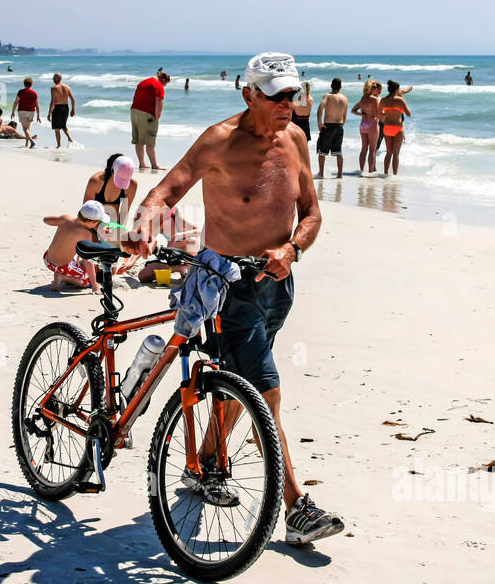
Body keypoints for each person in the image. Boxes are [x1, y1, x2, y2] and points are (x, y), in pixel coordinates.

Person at [132, 51, 343, 545]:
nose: (287, 105)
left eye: (293, 94)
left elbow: (312, 213)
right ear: (249, 94)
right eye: (276, 96)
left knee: (239, 382)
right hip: (227, 286)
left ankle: (206, 462)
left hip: (276, 285)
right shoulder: (220, 141)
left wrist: (292, 249)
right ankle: (297, 508)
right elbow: (167, 190)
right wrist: (144, 219)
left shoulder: (295, 141)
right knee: (265, 392)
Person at [42, 201, 104, 293]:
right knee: (87, 281)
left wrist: (62, 223)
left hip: (47, 258)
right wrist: (94, 285)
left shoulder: (65, 218)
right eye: (97, 223)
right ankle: (62, 277)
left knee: (76, 260)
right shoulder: (85, 234)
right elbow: (88, 261)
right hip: (60, 266)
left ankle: (62, 273)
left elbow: (46, 220)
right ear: (91, 222)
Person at [84, 154, 138, 249]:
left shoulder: (132, 185)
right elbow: (86, 212)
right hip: (92, 223)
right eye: (119, 179)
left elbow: (125, 211)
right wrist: (98, 228)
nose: (121, 184)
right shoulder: (96, 181)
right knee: (91, 257)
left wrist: (120, 229)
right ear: (112, 170)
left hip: (113, 226)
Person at [136, 205, 200, 284]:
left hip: (187, 254)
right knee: (142, 276)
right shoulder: (158, 225)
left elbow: (199, 231)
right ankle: (180, 268)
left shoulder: (177, 220)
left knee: (192, 240)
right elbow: (145, 243)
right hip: (172, 258)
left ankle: (188, 269)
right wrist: (131, 262)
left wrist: (178, 235)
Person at [131, 70, 170, 169]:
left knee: (139, 140)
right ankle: (154, 165)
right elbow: (159, 102)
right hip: (147, 115)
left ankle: (142, 163)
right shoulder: (158, 85)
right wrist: (157, 116)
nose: (164, 86)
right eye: (165, 84)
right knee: (150, 140)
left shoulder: (143, 82)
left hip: (134, 111)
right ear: (163, 79)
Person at [314, 76, 348, 179]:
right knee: (338, 152)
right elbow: (345, 115)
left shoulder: (328, 96)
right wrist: (341, 124)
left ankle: (321, 173)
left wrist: (319, 123)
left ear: (331, 86)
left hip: (329, 126)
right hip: (339, 126)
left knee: (322, 152)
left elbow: (320, 108)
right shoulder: (345, 98)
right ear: (341, 87)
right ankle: (340, 174)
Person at [380, 80, 412, 175]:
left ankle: (385, 173)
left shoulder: (383, 100)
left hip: (387, 127)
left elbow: (379, 114)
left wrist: (388, 113)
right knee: (396, 154)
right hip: (398, 128)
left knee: (388, 153)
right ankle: (394, 175)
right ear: (397, 89)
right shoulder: (400, 100)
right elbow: (408, 114)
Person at [351, 80, 382, 174]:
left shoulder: (363, 98)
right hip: (372, 124)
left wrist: (362, 115)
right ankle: (370, 172)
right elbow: (378, 114)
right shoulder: (374, 99)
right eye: (374, 87)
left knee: (364, 148)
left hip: (364, 124)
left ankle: (361, 171)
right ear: (371, 88)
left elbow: (353, 110)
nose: (376, 88)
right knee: (372, 149)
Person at [48, 72, 76, 147]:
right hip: (66, 108)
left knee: (57, 128)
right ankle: (70, 139)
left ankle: (58, 145)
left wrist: (49, 113)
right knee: (63, 125)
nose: (53, 79)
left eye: (54, 78)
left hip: (58, 108)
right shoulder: (67, 87)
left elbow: (53, 101)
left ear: (57, 79)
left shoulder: (54, 88)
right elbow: (73, 100)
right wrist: (73, 110)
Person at [12, 76, 39, 148]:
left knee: (25, 129)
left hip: (22, 111)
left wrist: (13, 111)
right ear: (31, 84)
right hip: (31, 112)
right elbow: (37, 105)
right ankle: (26, 144)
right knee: (28, 128)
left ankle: (31, 141)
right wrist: (38, 115)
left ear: (24, 84)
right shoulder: (34, 93)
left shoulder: (20, 92)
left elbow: (16, 102)